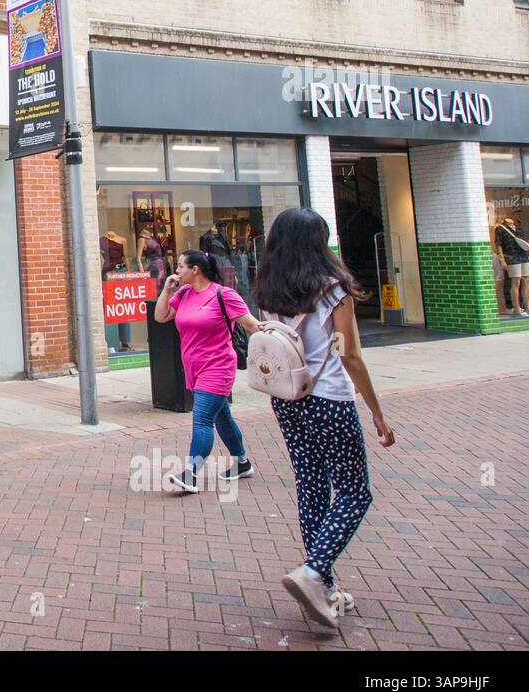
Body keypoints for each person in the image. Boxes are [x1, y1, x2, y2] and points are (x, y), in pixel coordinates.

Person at [253, 206, 396, 630]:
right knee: (354, 492)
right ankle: (313, 572)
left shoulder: (268, 286)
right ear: (319, 242)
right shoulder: (333, 288)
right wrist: (377, 412)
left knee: (311, 483)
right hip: (330, 398)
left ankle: (324, 591)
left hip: (287, 396)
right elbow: (350, 355)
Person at [154, 249, 261, 492]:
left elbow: (252, 325)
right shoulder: (183, 293)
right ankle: (242, 463)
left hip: (218, 366)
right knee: (222, 416)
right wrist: (167, 290)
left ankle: (191, 474)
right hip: (194, 367)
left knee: (202, 419)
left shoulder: (224, 295)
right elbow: (161, 317)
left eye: (181, 266)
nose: (177, 270)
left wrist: (280, 344)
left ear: (195, 270)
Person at [495, 217, 529, 317]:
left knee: (527, 281)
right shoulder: (500, 228)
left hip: (523, 256)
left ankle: (527, 308)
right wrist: (502, 259)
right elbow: (498, 244)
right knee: (516, 282)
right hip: (511, 256)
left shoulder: (519, 228)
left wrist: (528, 258)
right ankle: (516, 309)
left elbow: (522, 244)